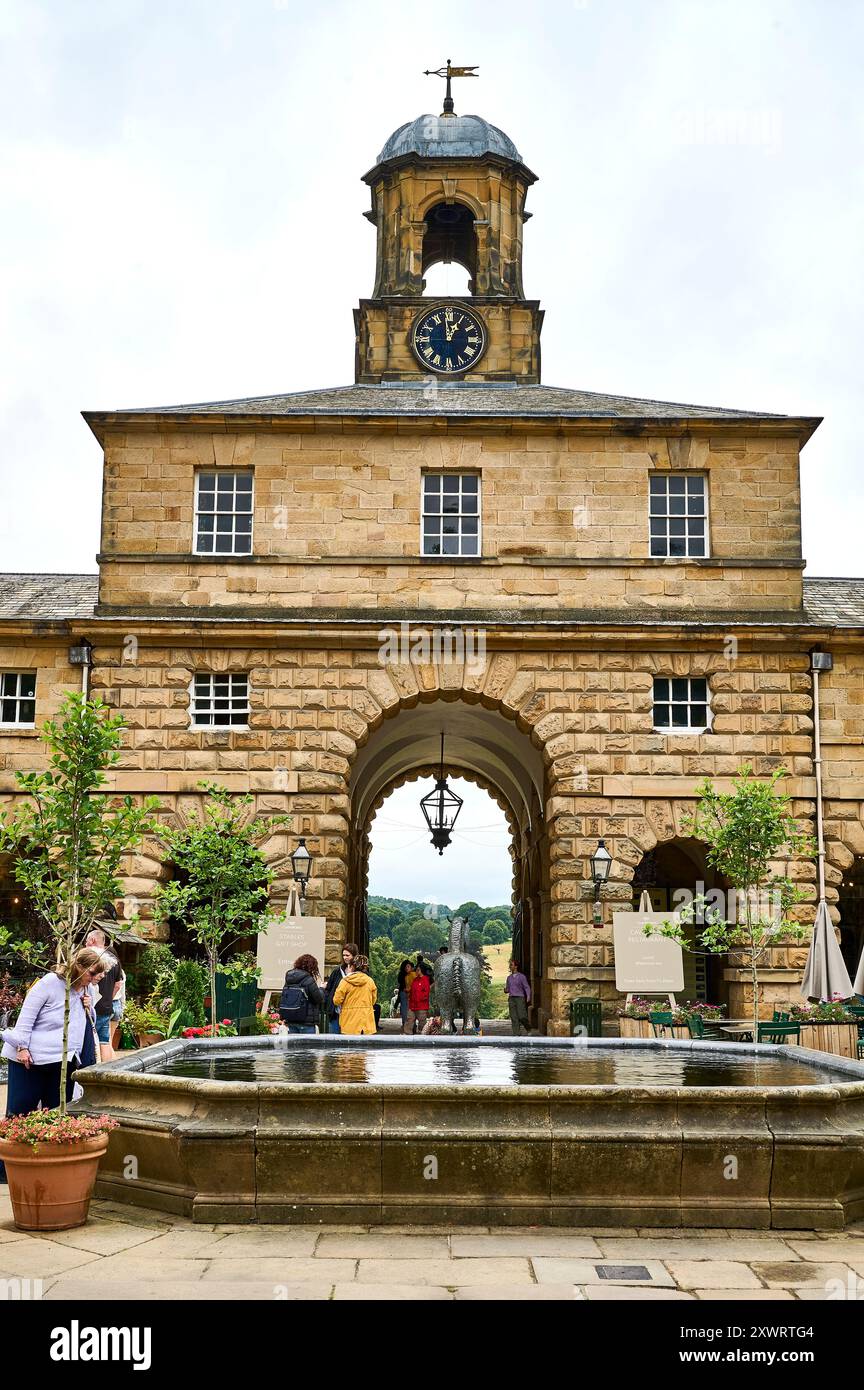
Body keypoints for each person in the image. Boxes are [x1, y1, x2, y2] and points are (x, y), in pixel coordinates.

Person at [1, 947, 104, 1136]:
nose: (96, 977)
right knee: (19, 1117)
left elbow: (86, 1024)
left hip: (63, 1062)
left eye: (99, 974)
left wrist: (90, 1008)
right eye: (92, 972)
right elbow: (26, 1018)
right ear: (78, 966)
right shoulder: (49, 983)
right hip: (30, 1061)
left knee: (55, 1117)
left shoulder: (87, 988)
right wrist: (22, 1047)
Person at [85, 927, 124, 1062]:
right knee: (104, 1041)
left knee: (91, 1042)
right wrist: (109, 998)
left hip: (92, 1006)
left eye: (86, 942)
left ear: (92, 940)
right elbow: (118, 984)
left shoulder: (91, 958)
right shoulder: (113, 959)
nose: (85, 945)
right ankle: (107, 1072)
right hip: (107, 1006)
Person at [332, 955, 377, 1036]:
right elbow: (373, 1001)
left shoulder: (345, 981)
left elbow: (336, 1001)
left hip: (349, 1023)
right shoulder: (370, 981)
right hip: (366, 1024)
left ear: (352, 967)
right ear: (365, 967)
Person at [279, 954, 324, 1034]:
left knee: (293, 1046)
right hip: (306, 1022)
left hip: (291, 1021)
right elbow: (318, 998)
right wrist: (321, 988)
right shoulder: (308, 979)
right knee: (308, 1046)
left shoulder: (289, 978)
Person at [323, 942, 358, 1034]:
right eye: (343, 955)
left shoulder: (360, 973)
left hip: (352, 1014)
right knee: (334, 1041)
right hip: (336, 1012)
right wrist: (329, 1004)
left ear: (354, 956)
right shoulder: (337, 972)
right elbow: (329, 989)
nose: (345, 957)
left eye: (348, 955)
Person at [505, 958, 532, 1035]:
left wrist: (528, 996)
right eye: (510, 965)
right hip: (511, 998)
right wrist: (506, 990)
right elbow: (508, 989)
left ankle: (528, 1028)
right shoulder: (509, 978)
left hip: (520, 998)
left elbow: (526, 987)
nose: (510, 966)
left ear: (516, 966)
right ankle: (516, 1034)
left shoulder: (521, 977)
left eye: (511, 965)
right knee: (514, 1017)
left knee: (522, 1016)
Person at [407, 960, 431, 1034]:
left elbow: (426, 993)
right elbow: (412, 991)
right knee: (409, 1020)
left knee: (422, 1022)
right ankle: (407, 1034)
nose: (416, 972)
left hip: (421, 1006)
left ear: (421, 970)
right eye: (416, 970)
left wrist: (419, 999)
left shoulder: (425, 980)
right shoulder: (415, 980)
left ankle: (423, 1036)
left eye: (418, 970)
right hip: (412, 1005)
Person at [397, 959, 415, 1035]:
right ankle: (408, 1025)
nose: (407, 968)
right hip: (407, 993)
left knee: (406, 1009)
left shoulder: (406, 975)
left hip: (407, 993)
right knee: (407, 1009)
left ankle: (407, 1025)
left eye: (409, 966)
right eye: (406, 967)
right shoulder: (407, 975)